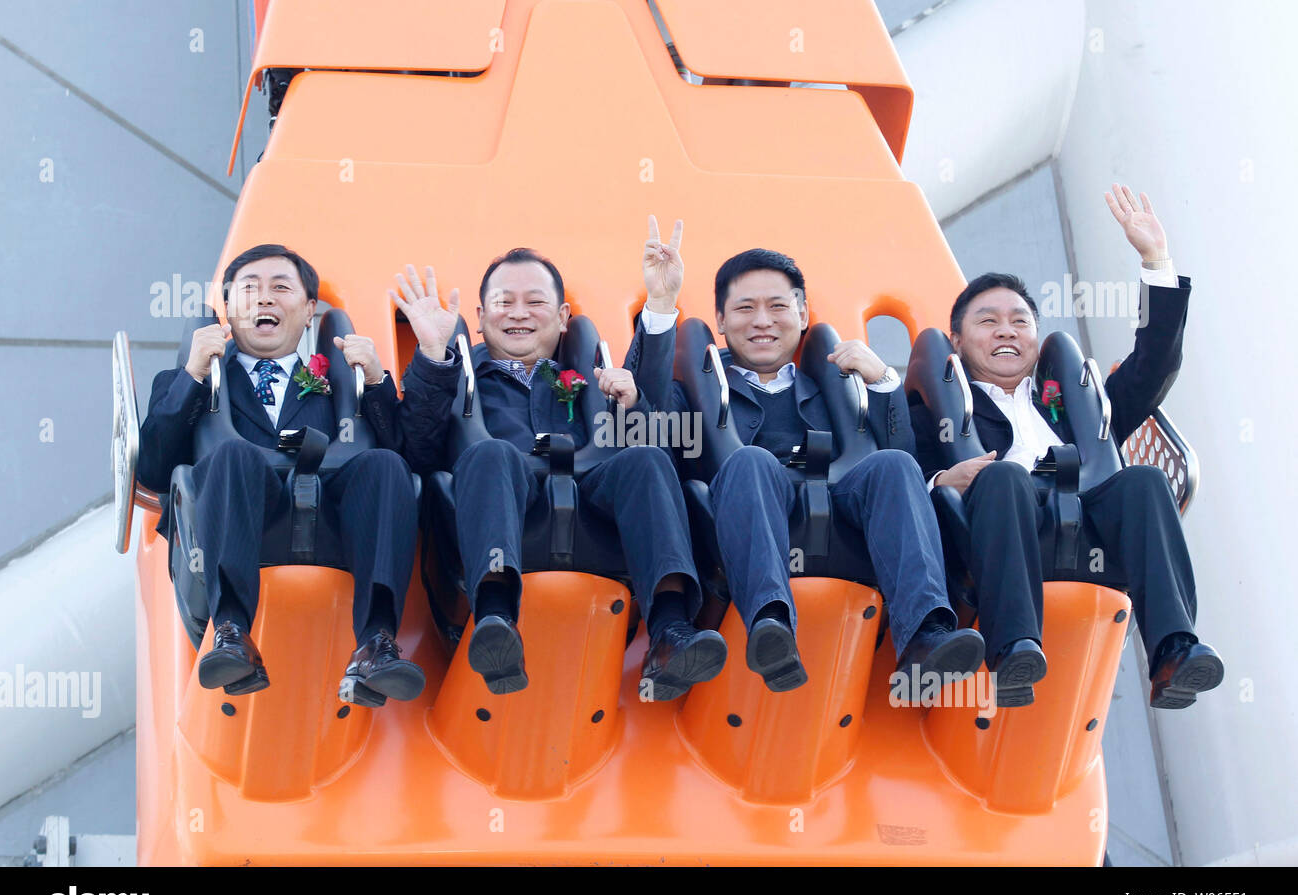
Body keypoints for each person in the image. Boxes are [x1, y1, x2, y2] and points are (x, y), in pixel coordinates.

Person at [909, 186, 1223, 709]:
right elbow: (899, 478)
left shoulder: (1076, 406)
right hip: (996, 525)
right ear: (958, 341)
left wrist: (1155, 261)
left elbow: (1155, 368)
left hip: (1089, 520)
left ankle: (1172, 651)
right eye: (987, 322)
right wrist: (944, 481)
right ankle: (1014, 650)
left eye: (1020, 321)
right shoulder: (935, 412)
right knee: (1005, 476)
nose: (1006, 332)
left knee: (1143, 479)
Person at [395, 218, 726, 701]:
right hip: (498, 506)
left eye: (535, 303)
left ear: (563, 315)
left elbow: (671, 447)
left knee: (650, 458)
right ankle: (494, 621)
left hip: (590, 506)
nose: (519, 314)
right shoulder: (456, 377)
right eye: (504, 303)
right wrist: (430, 355)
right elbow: (416, 449)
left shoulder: (590, 379)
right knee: (490, 454)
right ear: (481, 315)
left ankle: (671, 632)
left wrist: (637, 390)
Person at [666, 247, 985, 697]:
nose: (762, 321)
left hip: (839, 501)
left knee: (893, 465)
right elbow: (652, 420)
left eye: (777, 306)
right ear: (720, 320)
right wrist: (660, 311)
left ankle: (925, 637)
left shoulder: (833, 387)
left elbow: (902, 457)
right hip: (748, 504)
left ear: (802, 313)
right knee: (752, 461)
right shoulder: (695, 392)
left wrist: (882, 384)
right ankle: (770, 627)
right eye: (745, 308)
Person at [137, 243, 424, 707]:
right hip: (241, 519)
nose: (264, 298)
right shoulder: (188, 380)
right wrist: (192, 374)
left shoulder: (338, 380)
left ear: (309, 310)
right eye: (249, 289)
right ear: (229, 310)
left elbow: (407, 461)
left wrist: (374, 382)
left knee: (386, 465)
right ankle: (231, 633)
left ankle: (376, 642)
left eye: (281, 288)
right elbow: (151, 469)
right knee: (233, 455)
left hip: (330, 523)